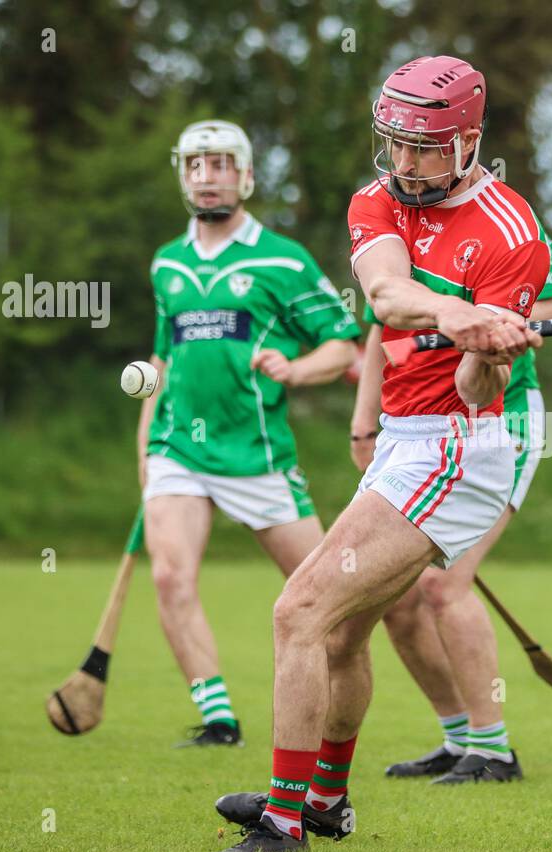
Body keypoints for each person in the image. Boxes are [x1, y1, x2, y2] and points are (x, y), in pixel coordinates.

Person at [214, 55, 548, 852]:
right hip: (406, 438)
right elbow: (388, 295)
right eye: (393, 143)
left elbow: (476, 391)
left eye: (424, 148)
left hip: (461, 447)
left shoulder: (516, 238)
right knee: (341, 632)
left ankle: (286, 821)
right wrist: (459, 313)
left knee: (299, 611)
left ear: (469, 142)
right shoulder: (378, 200)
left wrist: (489, 347)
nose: (403, 164)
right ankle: (324, 803)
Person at [139, 119, 358, 746]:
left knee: (332, 602)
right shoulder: (168, 264)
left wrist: (295, 369)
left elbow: (343, 347)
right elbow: (163, 362)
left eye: (222, 165)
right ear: (182, 175)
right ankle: (218, 718)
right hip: (178, 449)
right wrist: (145, 447)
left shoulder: (282, 260)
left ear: (247, 175)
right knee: (170, 577)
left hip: (259, 459)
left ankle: (335, 725)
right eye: (195, 166)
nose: (208, 178)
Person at [360, 219, 552, 784]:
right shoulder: (396, 229)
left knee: (443, 585)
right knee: (396, 599)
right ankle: (458, 738)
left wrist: (499, 321)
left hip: (503, 422)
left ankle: (493, 749)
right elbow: (380, 330)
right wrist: (365, 424)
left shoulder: (514, 228)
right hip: (416, 429)